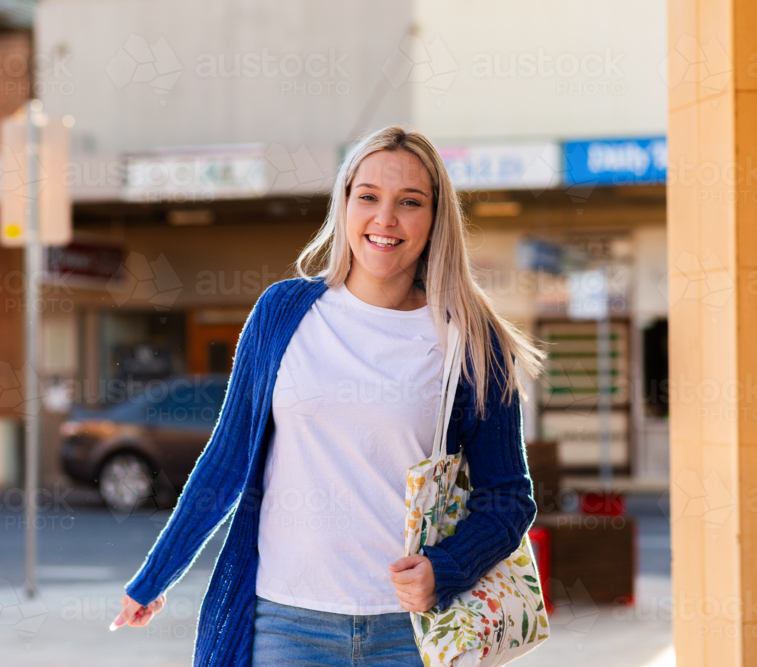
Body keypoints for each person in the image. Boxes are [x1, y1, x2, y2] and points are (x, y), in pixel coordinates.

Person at [111, 126, 543, 666]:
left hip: (409, 633)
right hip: (287, 623)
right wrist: (155, 576)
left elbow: (507, 499)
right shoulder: (283, 314)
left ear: (435, 220)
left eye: (410, 202)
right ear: (343, 205)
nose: (385, 219)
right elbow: (225, 461)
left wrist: (446, 569)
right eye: (368, 197)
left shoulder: (471, 342)